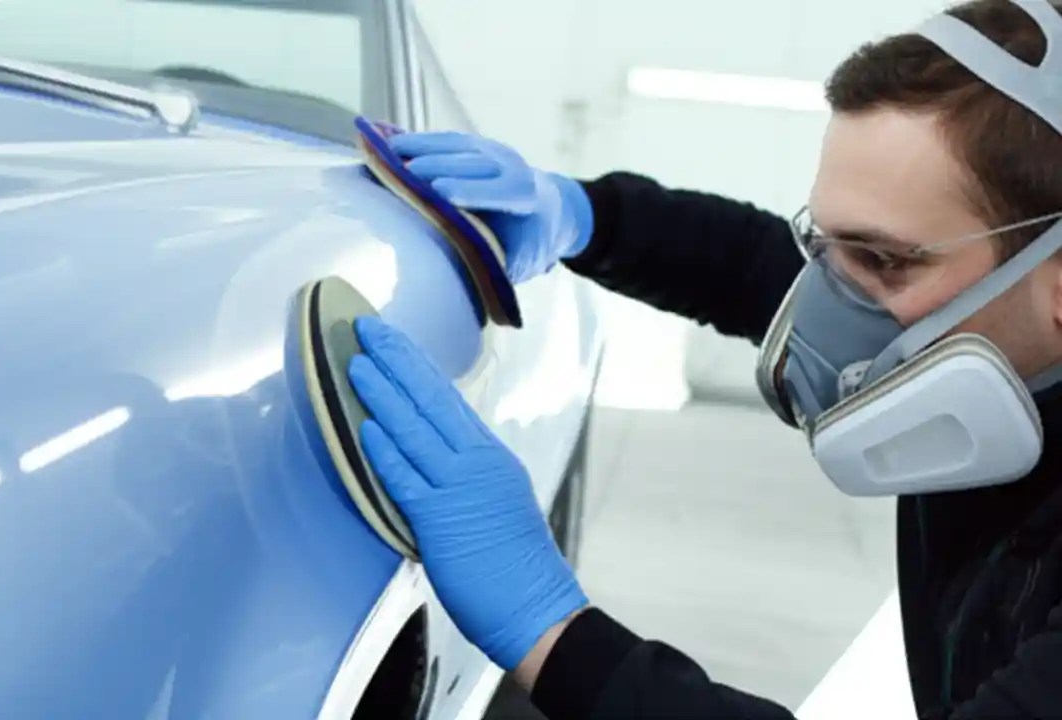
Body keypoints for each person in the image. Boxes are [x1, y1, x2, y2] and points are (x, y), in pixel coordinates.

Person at [346, 1, 1062, 718]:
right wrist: (583, 216)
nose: (827, 307)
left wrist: (552, 633)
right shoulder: (1003, 363)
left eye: (883, 260)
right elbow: (752, 267)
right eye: (824, 247)